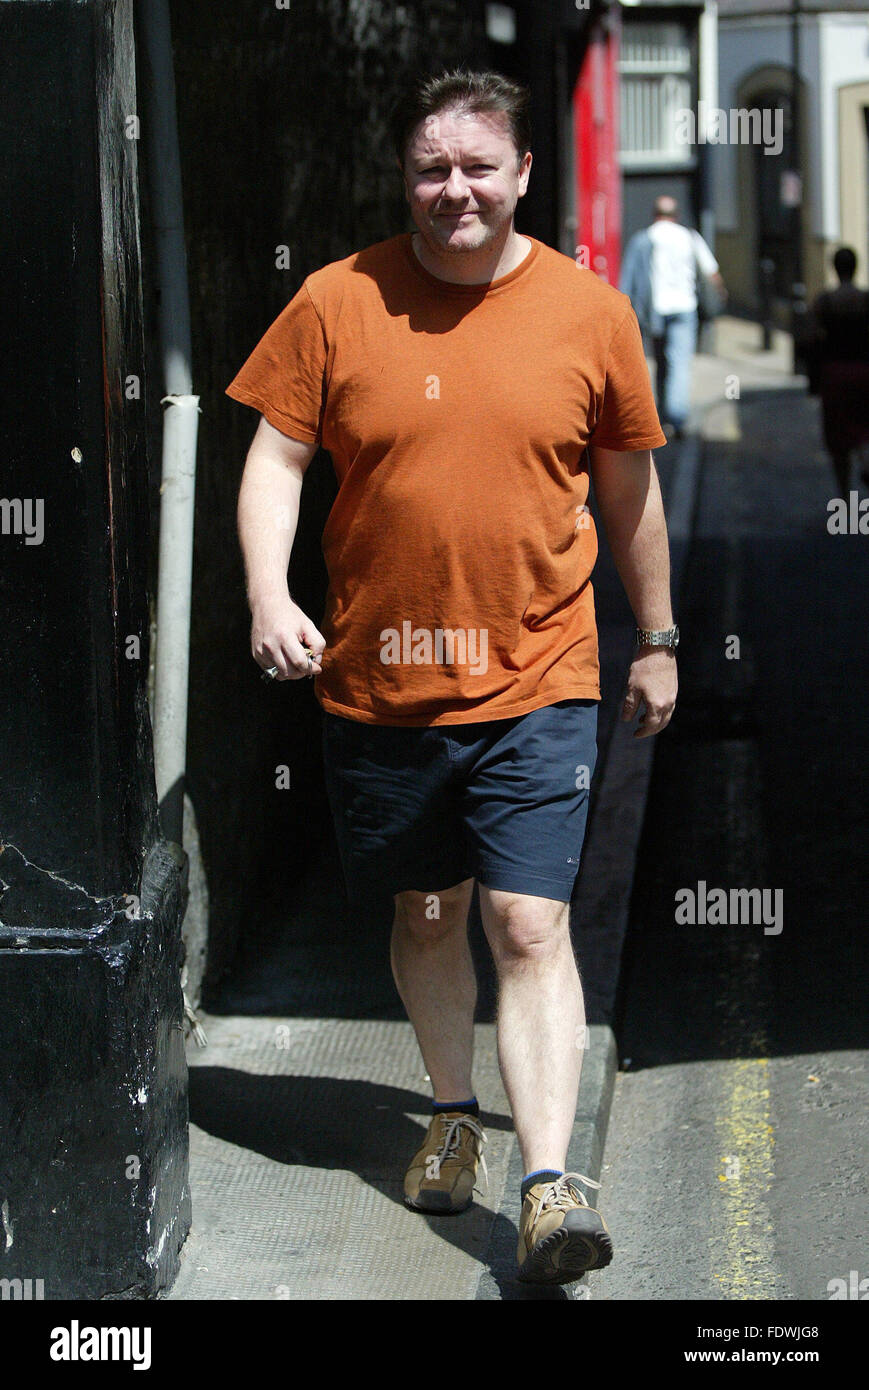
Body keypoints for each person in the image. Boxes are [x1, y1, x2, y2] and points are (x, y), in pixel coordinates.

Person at [226, 68, 678, 1287]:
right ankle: (447, 1109)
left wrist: (658, 636)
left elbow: (629, 492)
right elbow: (275, 458)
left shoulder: (588, 314)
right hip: (379, 684)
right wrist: (270, 594)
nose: (454, 188)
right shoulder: (336, 300)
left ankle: (543, 1186)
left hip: (539, 674)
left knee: (526, 919)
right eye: (432, 167)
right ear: (405, 176)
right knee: (425, 911)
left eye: (479, 165)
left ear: (523, 173)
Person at [620, 195, 725, 439]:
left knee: (660, 363)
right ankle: (677, 417)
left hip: (655, 310)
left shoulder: (642, 239)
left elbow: (627, 280)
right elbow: (712, 273)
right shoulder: (690, 237)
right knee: (679, 362)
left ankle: (662, 415)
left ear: (654, 214)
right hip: (685, 307)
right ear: (676, 215)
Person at [808, 246, 869, 494]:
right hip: (864, 371)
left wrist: (813, 382)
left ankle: (844, 495)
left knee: (838, 441)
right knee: (865, 429)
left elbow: (811, 341)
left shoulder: (825, 301)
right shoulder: (865, 299)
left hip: (834, 373)